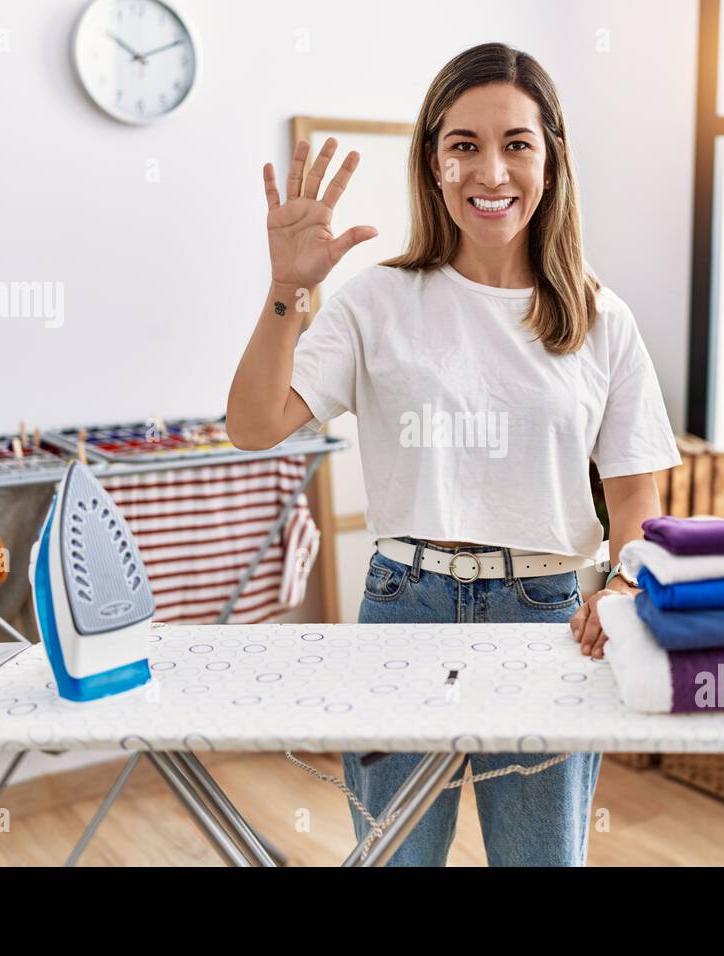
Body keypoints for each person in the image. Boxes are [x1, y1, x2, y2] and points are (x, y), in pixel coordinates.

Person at [226, 41, 680, 866]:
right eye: (463, 145)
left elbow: (637, 501)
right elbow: (253, 425)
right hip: (405, 607)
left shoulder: (601, 319)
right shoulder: (377, 301)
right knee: (395, 859)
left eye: (516, 144)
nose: (491, 172)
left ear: (552, 160)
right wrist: (288, 289)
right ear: (434, 162)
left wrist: (620, 583)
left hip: (549, 621)